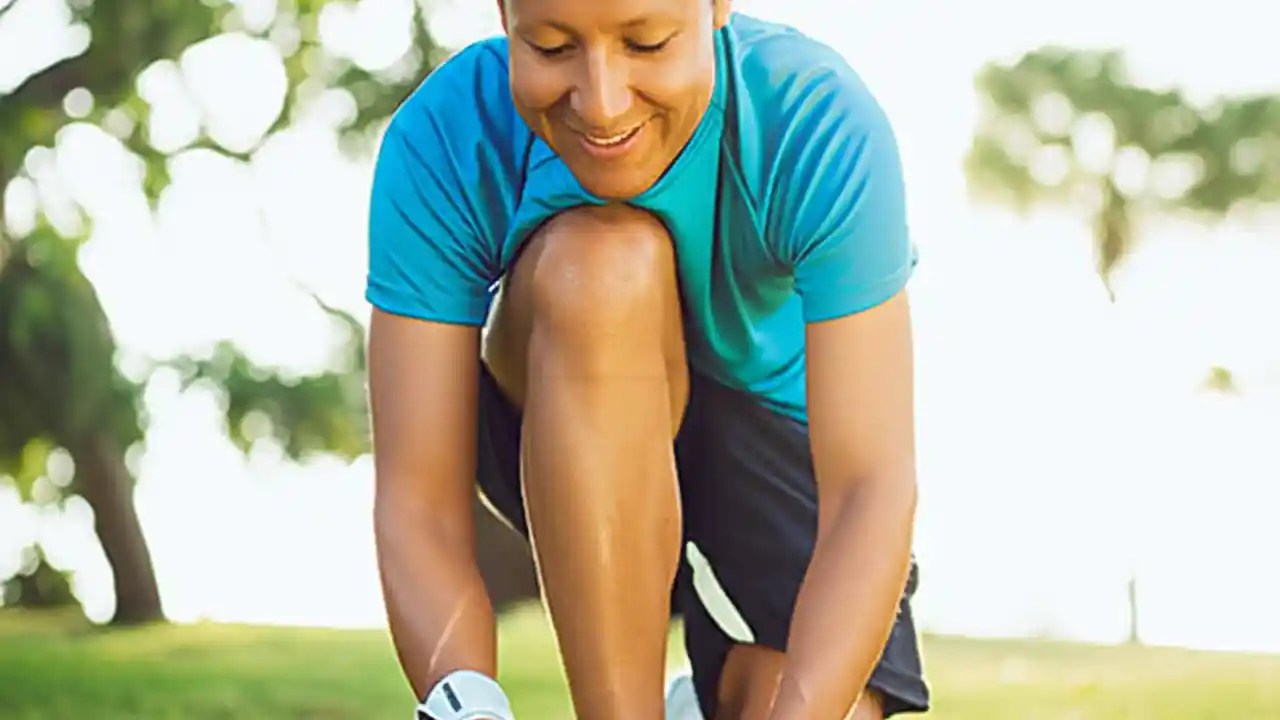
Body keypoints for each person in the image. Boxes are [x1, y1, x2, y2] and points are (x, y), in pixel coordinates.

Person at [365, 0, 930, 718]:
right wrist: (466, 703)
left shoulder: (814, 119)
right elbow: (418, 499)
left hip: (777, 462)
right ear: (505, 14)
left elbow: (870, 490)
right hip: (558, 416)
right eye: (550, 46)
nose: (601, 103)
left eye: (647, 42)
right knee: (601, 265)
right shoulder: (447, 135)